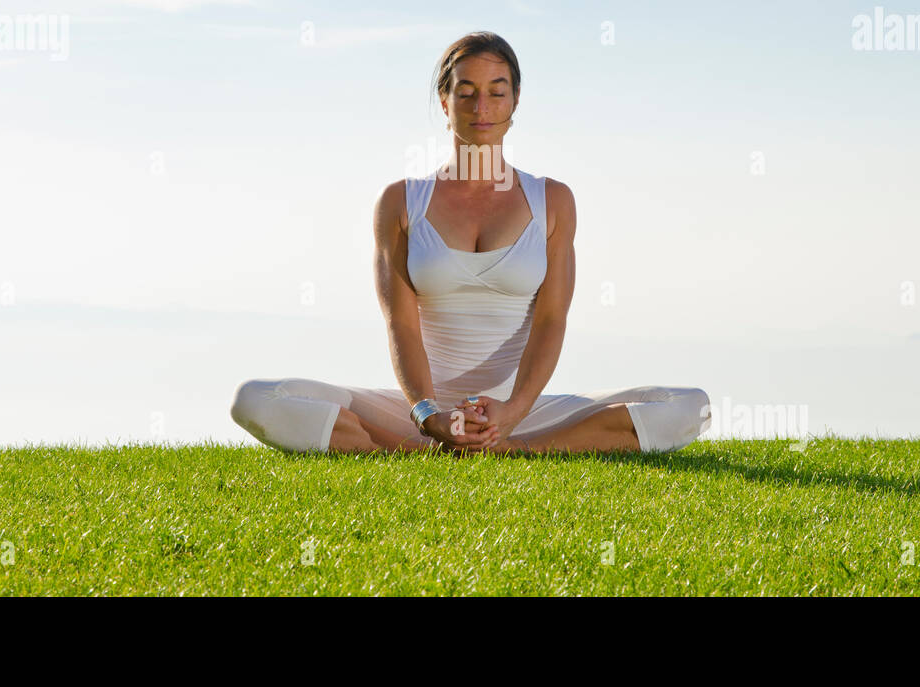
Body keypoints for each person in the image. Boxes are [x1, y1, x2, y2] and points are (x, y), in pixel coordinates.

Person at [231, 31, 712, 455]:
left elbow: (550, 321)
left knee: (689, 406)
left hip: (521, 411)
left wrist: (512, 412)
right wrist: (426, 414)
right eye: (466, 92)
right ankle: (424, 449)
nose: (481, 108)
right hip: (418, 412)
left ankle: (509, 449)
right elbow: (401, 324)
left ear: (516, 100)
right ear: (445, 102)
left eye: (496, 92)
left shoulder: (553, 200)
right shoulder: (401, 201)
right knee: (255, 399)